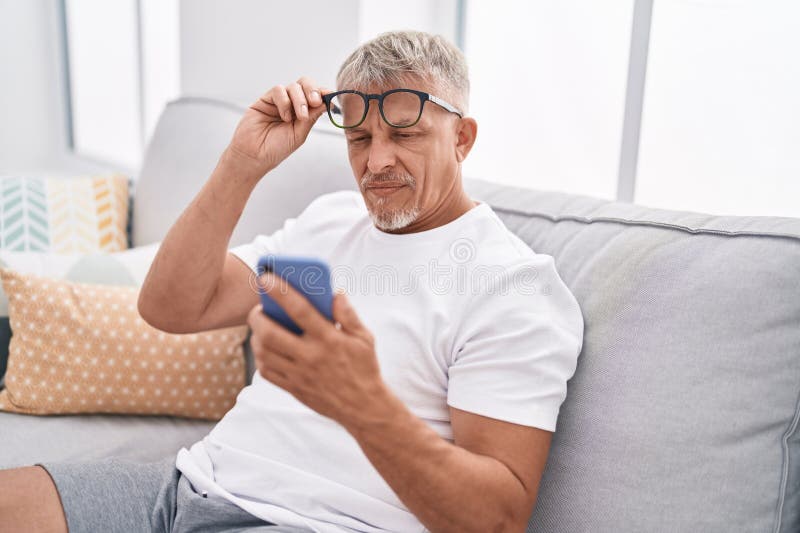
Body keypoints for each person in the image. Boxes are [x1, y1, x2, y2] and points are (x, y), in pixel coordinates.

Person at [0, 31, 583, 533]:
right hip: (183, 490)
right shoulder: (329, 221)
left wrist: (361, 404)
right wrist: (241, 163)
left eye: (404, 136)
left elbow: (498, 518)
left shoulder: (512, 287)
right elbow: (172, 306)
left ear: (462, 138)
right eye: (360, 139)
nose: (376, 162)